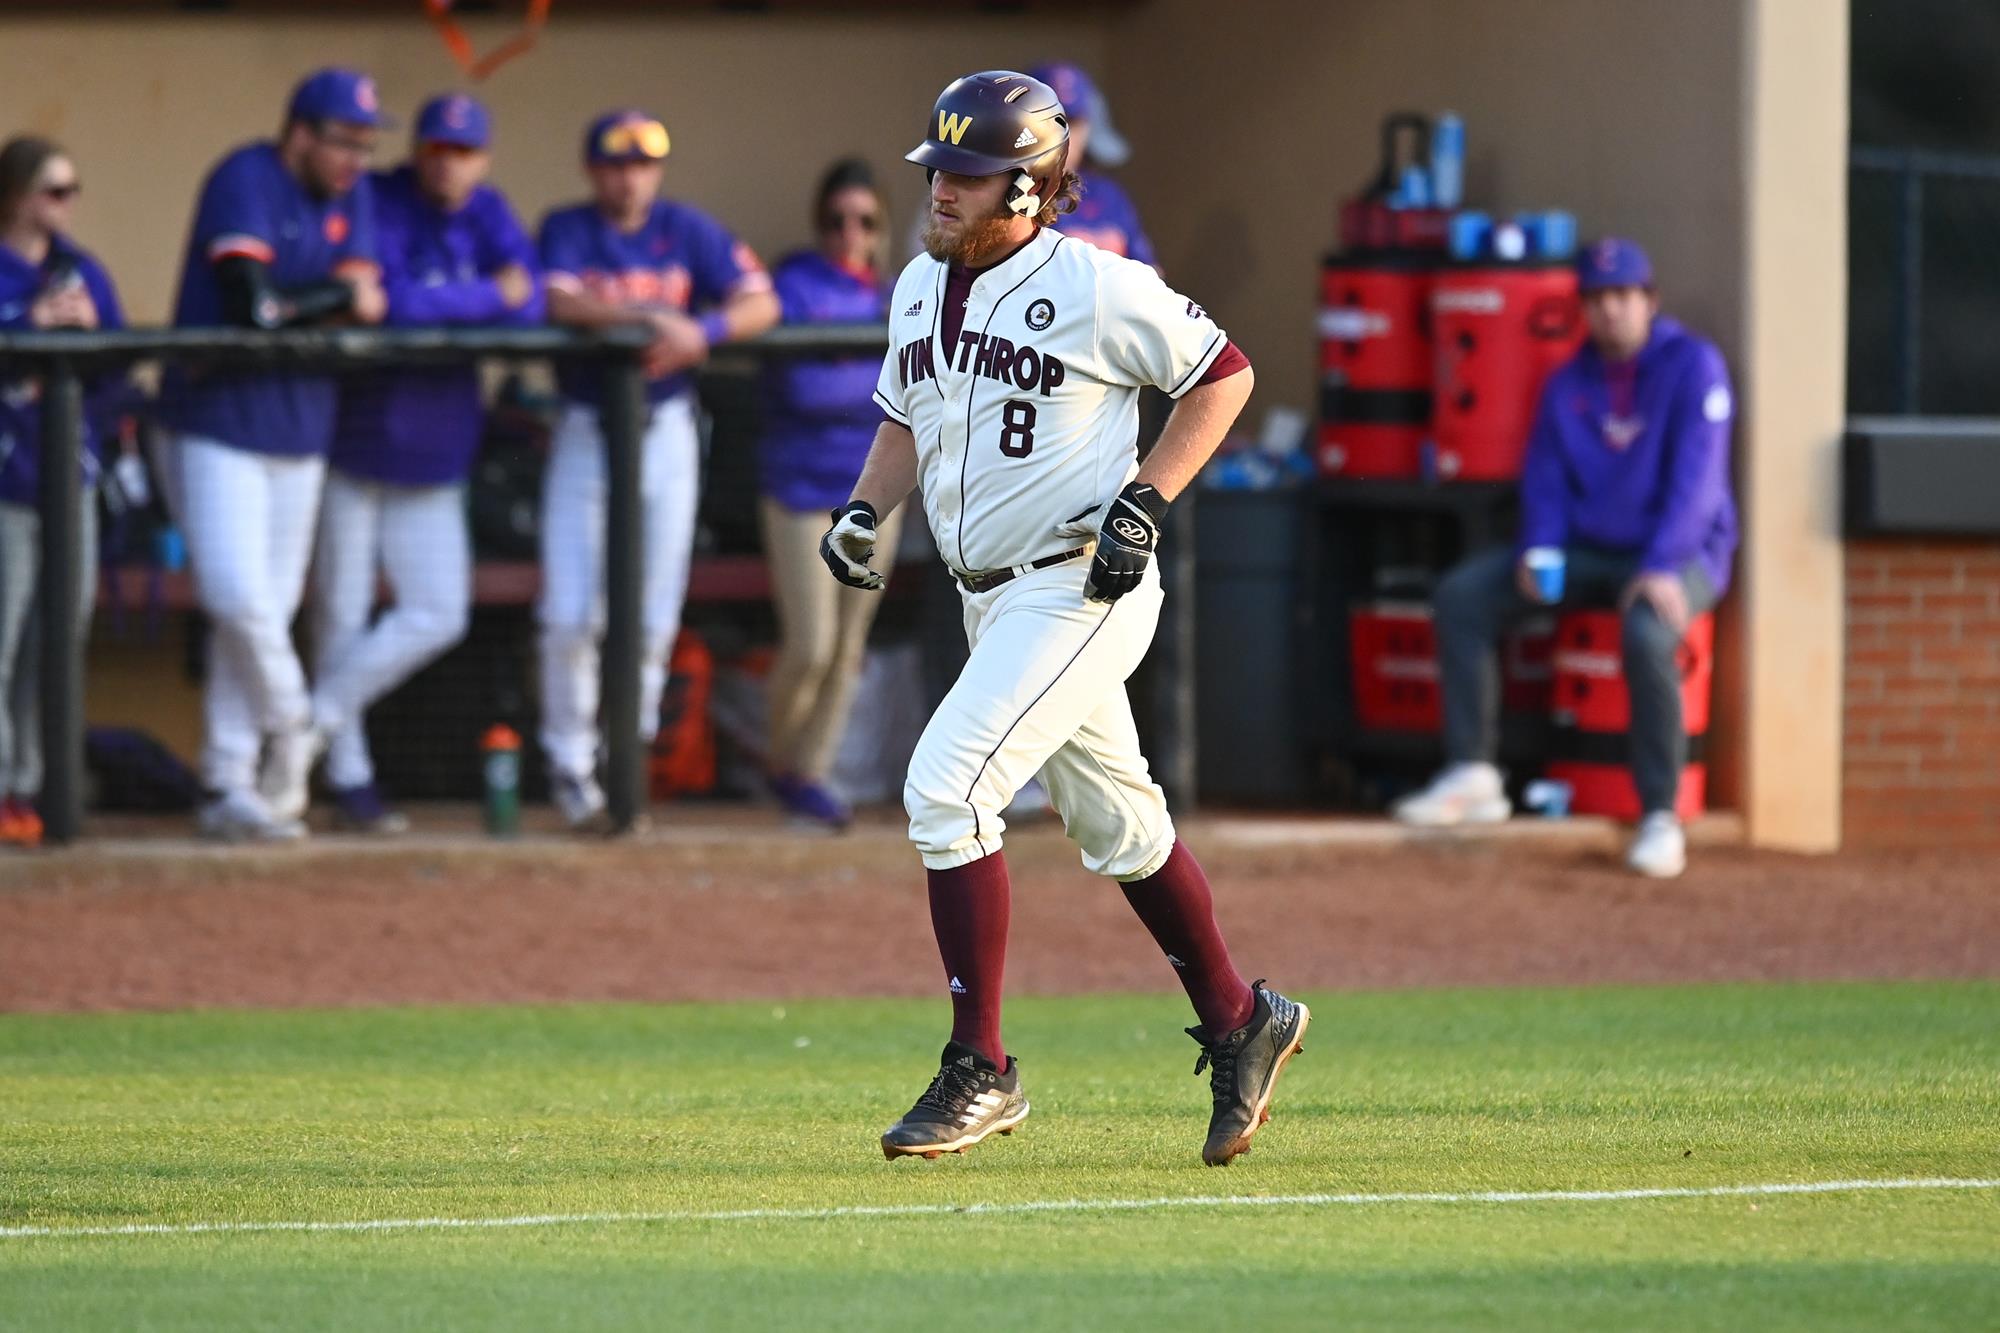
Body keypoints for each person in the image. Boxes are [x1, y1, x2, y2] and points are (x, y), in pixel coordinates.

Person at [824, 71, 1306, 1166]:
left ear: (1030, 189)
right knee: (1118, 826)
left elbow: (1220, 374)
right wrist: (863, 509)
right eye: (937, 168)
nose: (940, 188)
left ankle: (980, 1066)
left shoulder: (1094, 284)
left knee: (946, 787)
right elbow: (904, 415)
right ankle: (1242, 1019)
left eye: (967, 173)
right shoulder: (917, 283)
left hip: (1079, 584)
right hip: (982, 596)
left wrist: (1148, 494)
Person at [1392, 238, 1738, 880]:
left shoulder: (1694, 366)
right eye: (1597, 299)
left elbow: (1700, 484)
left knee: (1647, 634)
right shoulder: (1568, 381)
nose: (1610, 311)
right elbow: (1546, 477)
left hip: (1678, 554)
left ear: (1649, 301)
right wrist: (1540, 549)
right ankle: (1475, 772)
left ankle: (1660, 815)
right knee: (1464, 595)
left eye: (1623, 297)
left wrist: (1663, 563)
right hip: (1589, 550)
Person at [536, 109, 779, 829]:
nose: (629, 177)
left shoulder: (687, 227)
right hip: (587, 428)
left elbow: (763, 302)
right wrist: (645, 319)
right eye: (615, 164)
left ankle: (625, 759)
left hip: (668, 429)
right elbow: (553, 296)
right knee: (572, 616)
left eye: (642, 163)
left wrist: (699, 331)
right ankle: (570, 762)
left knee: (651, 612)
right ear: (592, 169)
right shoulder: (570, 226)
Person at [160, 68, 386, 842]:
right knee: (234, 595)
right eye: (343, 142)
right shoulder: (246, 175)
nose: (356, 159)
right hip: (217, 417)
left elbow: (368, 296)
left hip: (302, 423)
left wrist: (316, 299)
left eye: (365, 143)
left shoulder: (349, 199)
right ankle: (297, 723)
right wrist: (331, 297)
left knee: (267, 608)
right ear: (300, 134)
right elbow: (251, 308)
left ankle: (228, 779)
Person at [311, 93, 542, 834]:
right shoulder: (376, 197)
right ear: (417, 151)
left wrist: (450, 300)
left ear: (483, 157)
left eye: (463, 151)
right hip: (356, 438)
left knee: (439, 611)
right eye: (437, 149)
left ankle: (305, 724)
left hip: (439, 450)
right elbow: (390, 303)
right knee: (339, 619)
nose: (448, 163)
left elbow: (531, 300)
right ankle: (347, 775)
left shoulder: (489, 209)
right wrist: (480, 296)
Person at [757, 158, 897, 830]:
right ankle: (778, 762)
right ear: (820, 224)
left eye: (864, 221)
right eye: (837, 219)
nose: (850, 232)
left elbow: (920, 395)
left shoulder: (897, 294)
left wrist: (849, 376)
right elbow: (802, 391)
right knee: (810, 645)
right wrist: (869, 383)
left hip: (874, 491)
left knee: (847, 650)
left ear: (881, 229)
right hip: (800, 488)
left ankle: (808, 774)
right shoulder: (795, 282)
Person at [0, 136, 125, 849]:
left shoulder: (83, 273)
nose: (66, 205)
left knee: (59, 637)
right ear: (16, 195)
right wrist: (28, 327)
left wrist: (91, 335)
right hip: (6, 484)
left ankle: (36, 781)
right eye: (53, 191)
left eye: (72, 190)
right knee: (4, 638)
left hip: (66, 482)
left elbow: (120, 372)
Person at [1028, 61, 1156, 266]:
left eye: (1073, 122)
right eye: (1051, 121)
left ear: (1089, 126)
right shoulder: (1006, 195)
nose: (1064, 137)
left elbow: (1151, 276)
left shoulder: (1110, 195)